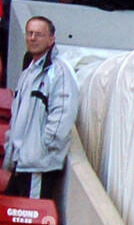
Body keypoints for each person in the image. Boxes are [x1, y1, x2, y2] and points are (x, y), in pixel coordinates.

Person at [3, 16, 78, 201]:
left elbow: (62, 113)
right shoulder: (28, 70)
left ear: (51, 39)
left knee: (33, 217)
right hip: (21, 163)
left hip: (38, 166)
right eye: (30, 33)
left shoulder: (59, 70)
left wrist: (43, 148)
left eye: (39, 34)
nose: (33, 38)